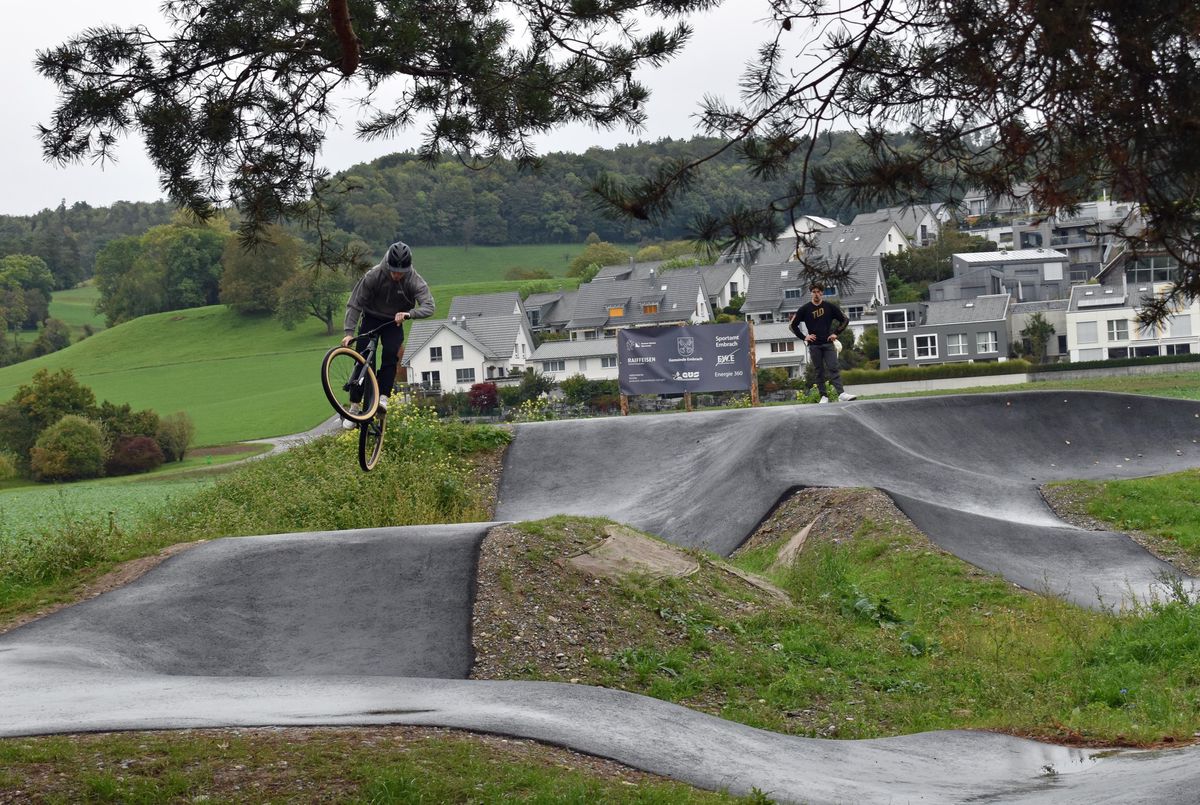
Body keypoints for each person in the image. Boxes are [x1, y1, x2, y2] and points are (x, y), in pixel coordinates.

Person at [340, 240, 435, 425]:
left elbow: (430, 307)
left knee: (391, 354)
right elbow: (355, 303)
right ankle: (354, 407)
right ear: (387, 264)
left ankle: (383, 398)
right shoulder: (373, 275)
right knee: (362, 359)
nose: (397, 275)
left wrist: (409, 314)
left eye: (401, 272)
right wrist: (349, 332)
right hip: (371, 318)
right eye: (393, 271)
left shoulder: (414, 280)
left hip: (394, 321)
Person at [789, 283, 856, 403]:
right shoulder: (805, 309)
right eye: (813, 291)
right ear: (811, 293)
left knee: (833, 367)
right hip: (814, 345)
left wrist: (836, 333)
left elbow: (845, 319)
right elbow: (792, 326)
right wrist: (804, 337)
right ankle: (823, 396)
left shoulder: (829, 307)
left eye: (818, 291)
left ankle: (841, 394)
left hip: (828, 343)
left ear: (822, 293)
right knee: (819, 371)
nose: (816, 294)